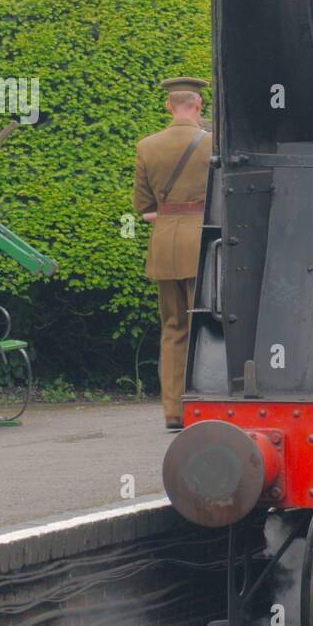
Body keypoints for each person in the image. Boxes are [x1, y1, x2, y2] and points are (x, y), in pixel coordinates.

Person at [133, 79, 213, 431]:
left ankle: (173, 412)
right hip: (203, 244)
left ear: (169, 107)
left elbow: (142, 206)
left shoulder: (147, 146)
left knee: (173, 328)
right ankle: (208, 406)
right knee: (209, 327)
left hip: (165, 245)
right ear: (198, 104)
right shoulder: (213, 142)